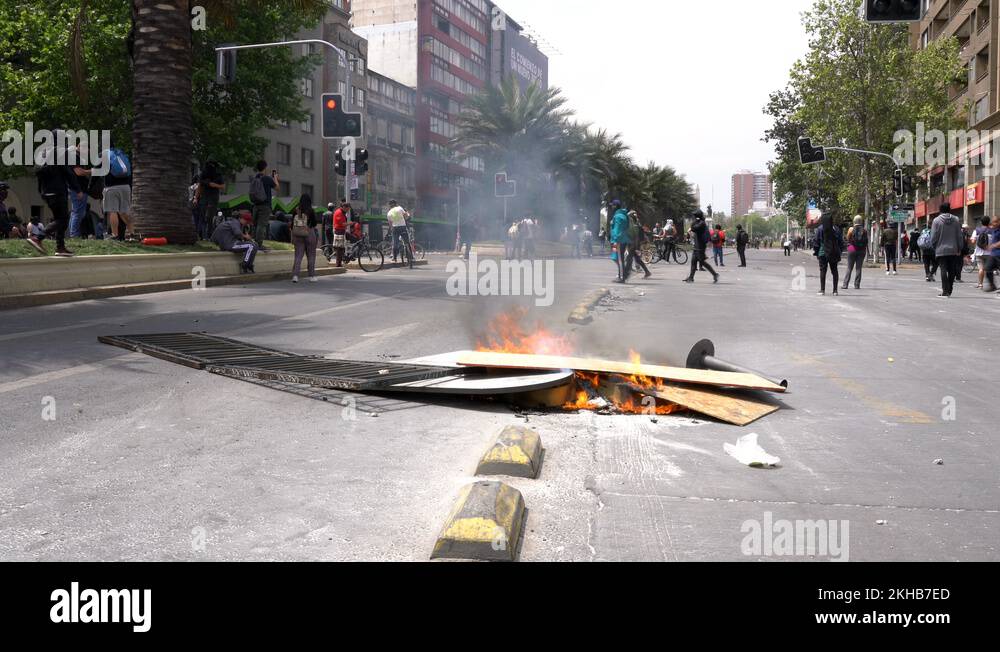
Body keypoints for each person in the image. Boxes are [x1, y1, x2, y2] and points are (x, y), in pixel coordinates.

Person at [31, 143, 82, 256]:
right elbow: (68, 173)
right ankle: (38, 238)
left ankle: (60, 247)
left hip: (46, 192)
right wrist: (77, 189)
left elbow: (38, 172)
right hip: (58, 191)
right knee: (63, 219)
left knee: (59, 220)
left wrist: (41, 191)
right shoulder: (60, 153)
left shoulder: (42, 152)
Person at [930, 202, 964, 298]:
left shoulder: (936, 221)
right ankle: (950, 289)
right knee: (952, 269)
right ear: (950, 209)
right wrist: (959, 247)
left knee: (943, 269)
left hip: (941, 249)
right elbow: (959, 235)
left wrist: (934, 246)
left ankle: (945, 291)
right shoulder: (956, 220)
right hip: (953, 249)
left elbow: (933, 236)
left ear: (940, 210)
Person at [102, 145, 134, 241]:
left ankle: (114, 235)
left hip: (111, 187)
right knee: (124, 212)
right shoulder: (121, 153)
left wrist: (90, 187)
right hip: (126, 187)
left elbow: (97, 171)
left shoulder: (103, 155)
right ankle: (132, 234)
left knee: (113, 211)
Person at [683, 210, 719, 284]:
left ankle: (715, 274)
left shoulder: (702, 223)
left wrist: (693, 223)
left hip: (700, 246)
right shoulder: (699, 222)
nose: (693, 217)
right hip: (696, 245)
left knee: (702, 262)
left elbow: (693, 228)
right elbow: (693, 227)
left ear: (697, 216)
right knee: (693, 262)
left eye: (694, 216)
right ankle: (691, 277)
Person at [290, 193, 319, 284]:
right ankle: (311, 276)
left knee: (298, 255)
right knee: (311, 255)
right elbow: (314, 223)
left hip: (298, 234)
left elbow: (292, 223)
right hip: (309, 233)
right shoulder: (311, 210)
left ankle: (295, 276)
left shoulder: (296, 210)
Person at [249, 160, 278, 251]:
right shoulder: (267, 178)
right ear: (265, 168)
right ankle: (259, 244)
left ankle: (253, 242)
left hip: (255, 204)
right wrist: (275, 178)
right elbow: (277, 188)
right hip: (265, 205)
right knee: (262, 225)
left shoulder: (255, 178)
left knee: (255, 224)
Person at [813, 217, 845, 296]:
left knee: (823, 271)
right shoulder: (836, 229)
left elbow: (816, 241)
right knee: (834, 271)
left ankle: (822, 290)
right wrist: (839, 252)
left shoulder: (820, 228)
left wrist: (816, 253)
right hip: (833, 252)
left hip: (822, 252)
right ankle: (835, 291)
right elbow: (841, 242)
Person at [197, 161, 225, 236]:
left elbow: (223, 186)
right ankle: (201, 234)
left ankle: (209, 234)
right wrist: (196, 197)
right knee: (202, 216)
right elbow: (200, 186)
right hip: (204, 197)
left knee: (210, 216)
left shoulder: (218, 175)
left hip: (213, 197)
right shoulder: (204, 174)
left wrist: (214, 185)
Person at [842, 215, 868, 290]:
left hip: (852, 249)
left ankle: (845, 284)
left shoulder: (851, 229)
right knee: (858, 268)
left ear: (854, 221)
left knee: (849, 268)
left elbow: (847, 238)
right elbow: (866, 241)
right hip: (862, 250)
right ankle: (857, 285)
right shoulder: (864, 230)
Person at [609, 200, 631, 283]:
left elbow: (617, 229)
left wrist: (615, 240)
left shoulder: (618, 216)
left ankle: (622, 277)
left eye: (612, 205)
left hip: (618, 240)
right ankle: (621, 275)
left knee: (619, 259)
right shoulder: (622, 215)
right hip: (620, 239)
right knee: (615, 258)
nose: (611, 207)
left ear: (615, 206)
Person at [387, 200, 413, 268]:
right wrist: (404, 219)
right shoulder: (400, 208)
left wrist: (392, 229)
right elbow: (406, 216)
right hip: (403, 227)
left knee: (395, 244)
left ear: (390, 205)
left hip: (395, 229)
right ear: (396, 204)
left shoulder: (389, 213)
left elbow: (390, 224)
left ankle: (394, 258)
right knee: (407, 242)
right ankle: (410, 257)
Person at [627, 211, 652, 279]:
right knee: (637, 259)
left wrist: (636, 246)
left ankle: (626, 273)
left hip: (634, 244)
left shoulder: (635, 226)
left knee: (629, 258)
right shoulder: (637, 224)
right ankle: (647, 272)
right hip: (635, 244)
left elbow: (636, 236)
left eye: (629, 217)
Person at [980, 216, 1000, 293]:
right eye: (992, 222)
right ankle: (992, 286)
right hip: (993, 254)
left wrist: (993, 245)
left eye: (995, 222)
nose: (993, 223)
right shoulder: (994, 229)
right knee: (987, 268)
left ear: (999, 222)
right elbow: (988, 227)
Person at [973, 216, 992, 289]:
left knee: (981, 269)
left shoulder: (977, 230)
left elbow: (973, 241)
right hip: (989, 253)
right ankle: (991, 284)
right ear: (989, 222)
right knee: (989, 269)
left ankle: (980, 284)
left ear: (981, 222)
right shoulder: (992, 230)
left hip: (979, 253)